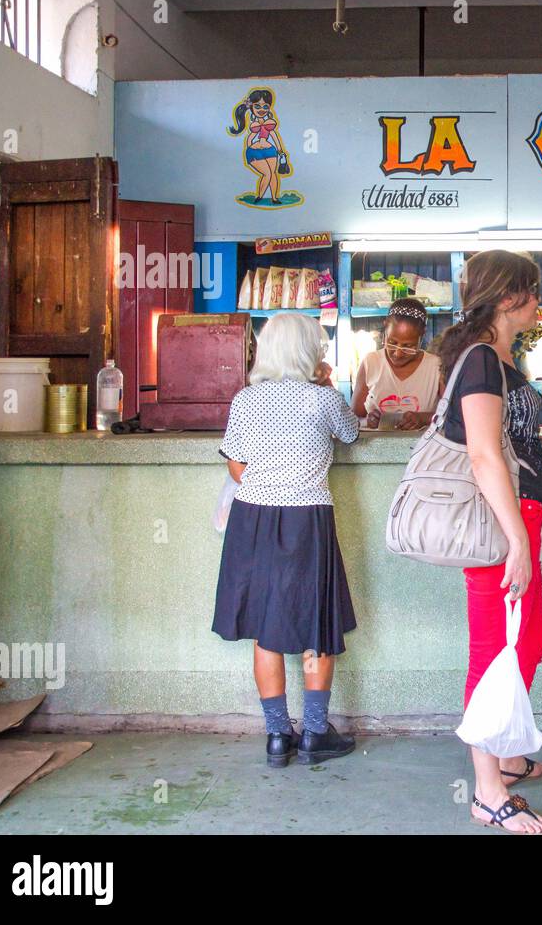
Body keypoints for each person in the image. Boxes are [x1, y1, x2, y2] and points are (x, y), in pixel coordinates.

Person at [433, 249, 542, 834]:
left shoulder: (499, 358)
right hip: (500, 524)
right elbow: (481, 453)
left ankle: (503, 752)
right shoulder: (480, 360)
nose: (539, 302)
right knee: (495, 649)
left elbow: (507, 437)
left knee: (528, 638)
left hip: (522, 516)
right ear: (509, 299)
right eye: (533, 291)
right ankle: (485, 791)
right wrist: (517, 544)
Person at [212, 313, 361, 767]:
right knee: (317, 624)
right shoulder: (324, 400)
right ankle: (315, 734)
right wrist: (327, 384)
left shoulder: (246, 400)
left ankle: (279, 737)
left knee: (265, 629)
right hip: (307, 521)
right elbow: (353, 433)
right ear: (311, 354)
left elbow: (236, 466)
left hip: (252, 521)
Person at [351, 300, 443, 430]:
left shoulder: (436, 366)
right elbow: (353, 418)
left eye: (408, 346)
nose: (398, 353)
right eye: (392, 342)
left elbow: (452, 416)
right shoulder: (371, 362)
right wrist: (368, 420)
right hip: (376, 448)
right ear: (385, 330)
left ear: (422, 335)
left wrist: (423, 418)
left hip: (421, 448)